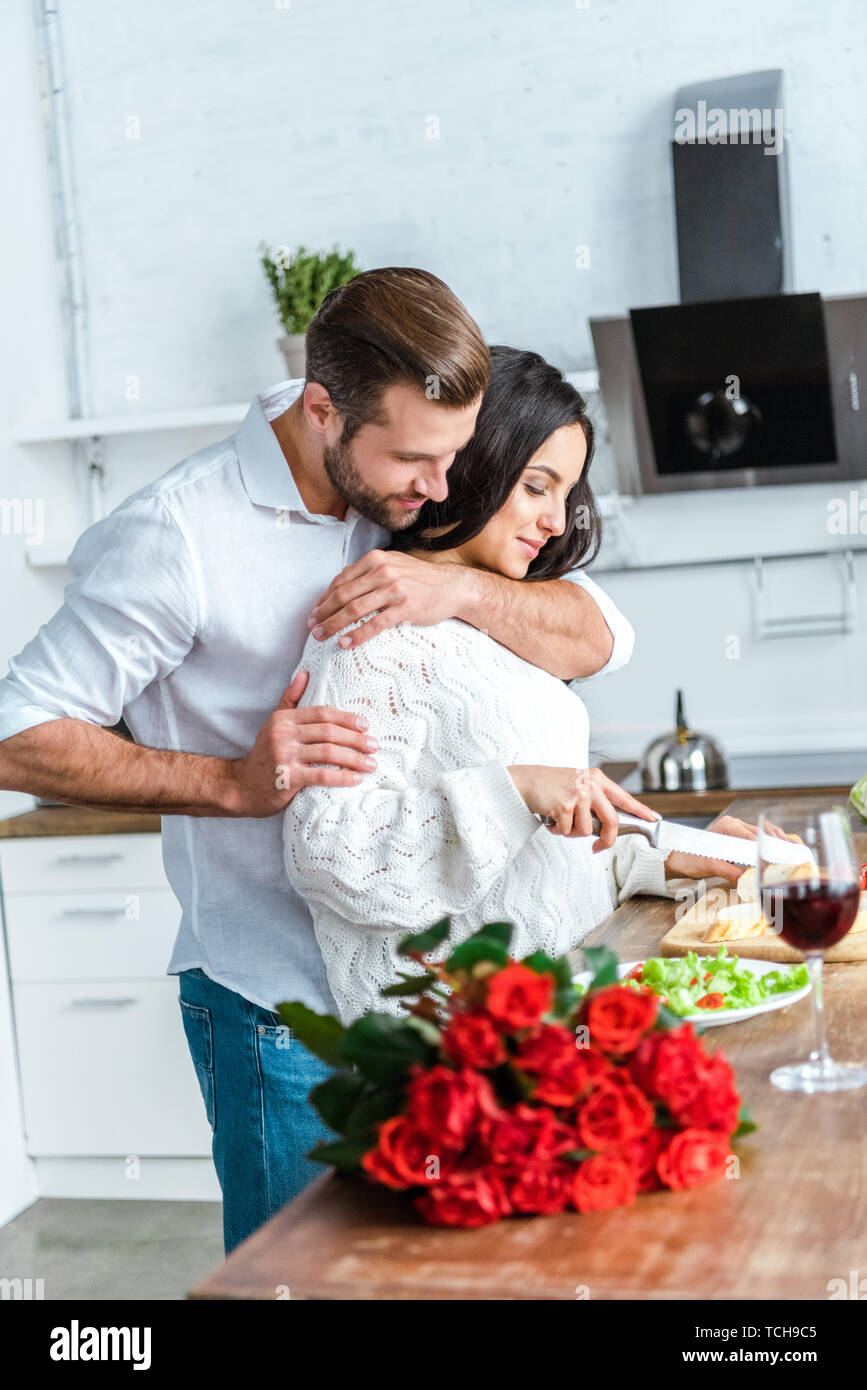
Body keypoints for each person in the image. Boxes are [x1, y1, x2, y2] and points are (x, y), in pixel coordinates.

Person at [0, 268, 636, 1255]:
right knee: (299, 1284)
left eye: (457, 458)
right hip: (279, 1016)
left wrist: (451, 588)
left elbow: (599, 630)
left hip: (415, 1001)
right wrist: (226, 782)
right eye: (417, 463)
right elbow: (16, 734)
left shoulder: (398, 474)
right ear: (322, 409)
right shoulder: (180, 535)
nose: (438, 489)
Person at [283, 346, 762, 1026]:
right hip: (459, 1058)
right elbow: (330, 858)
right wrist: (513, 787)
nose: (557, 521)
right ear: (472, 463)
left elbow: (534, 864)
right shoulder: (372, 631)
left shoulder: (500, 625)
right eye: (537, 487)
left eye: (565, 495)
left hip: (556, 1030)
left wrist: (668, 858)